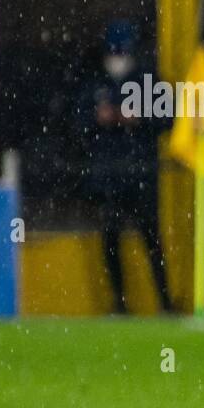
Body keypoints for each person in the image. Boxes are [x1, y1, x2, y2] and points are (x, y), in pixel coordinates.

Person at [77, 20, 172, 313]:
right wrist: (99, 118)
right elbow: (76, 122)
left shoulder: (147, 80)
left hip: (140, 172)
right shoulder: (95, 82)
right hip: (108, 174)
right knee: (111, 240)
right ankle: (119, 303)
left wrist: (139, 117)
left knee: (151, 238)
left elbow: (167, 118)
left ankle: (164, 302)